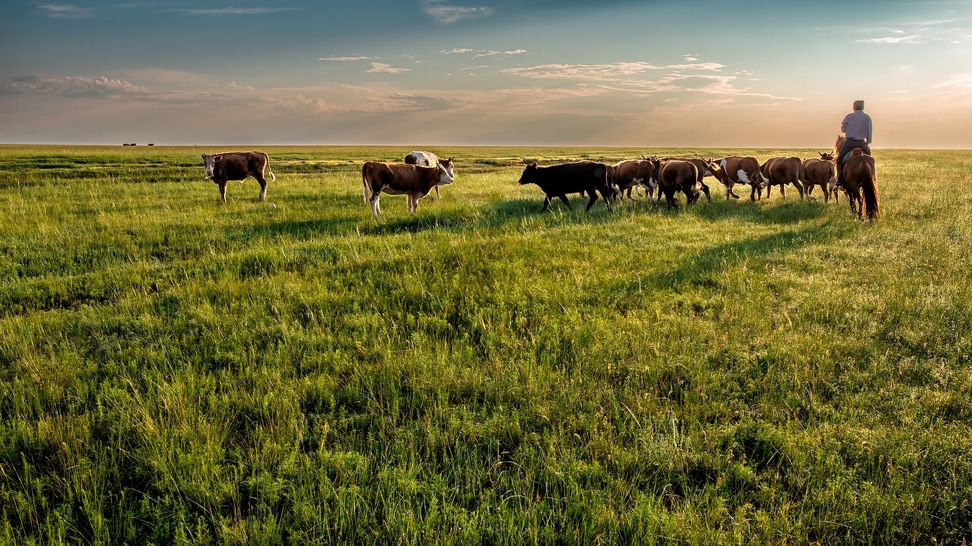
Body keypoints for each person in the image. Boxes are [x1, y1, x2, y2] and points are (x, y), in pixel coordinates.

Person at [834, 100, 872, 189]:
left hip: (849, 143)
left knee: (839, 160)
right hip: (862, 143)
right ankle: (871, 177)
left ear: (853, 107)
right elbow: (869, 131)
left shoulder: (849, 117)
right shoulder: (867, 117)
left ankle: (840, 180)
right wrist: (867, 142)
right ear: (863, 107)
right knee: (870, 159)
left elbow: (843, 130)